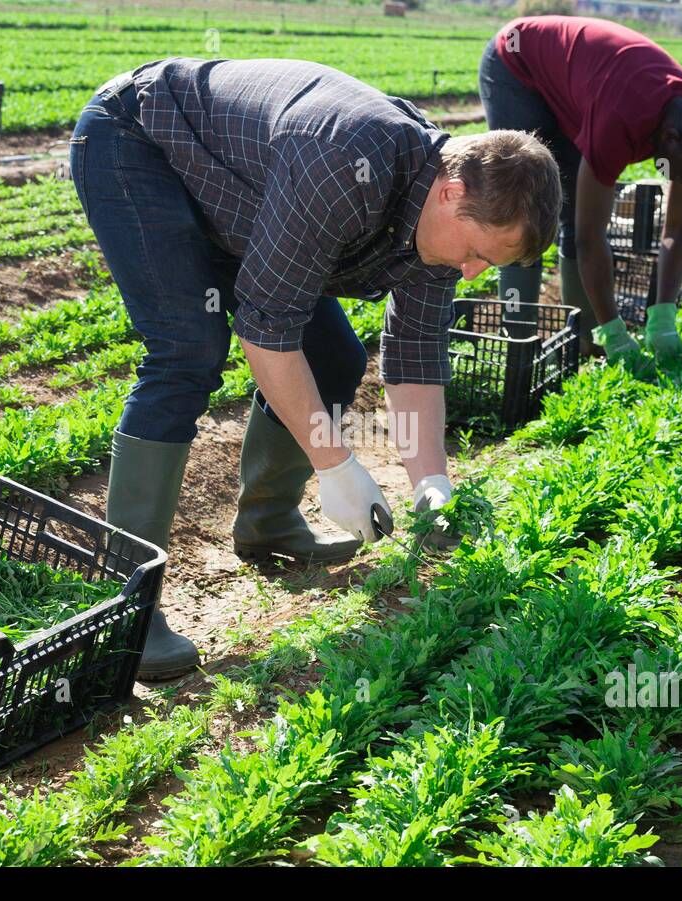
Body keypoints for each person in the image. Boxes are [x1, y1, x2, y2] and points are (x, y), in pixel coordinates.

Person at [71, 57, 561, 680]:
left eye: (486, 263)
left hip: (243, 200)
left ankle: (267, 523)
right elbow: (266, 328)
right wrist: (333, 461)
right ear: (451, 192)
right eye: (473, 253)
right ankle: (123, 608)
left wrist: (431, 481)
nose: (470, 272)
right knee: (185, 351)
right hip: (141, 145)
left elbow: (414, 352)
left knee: (333, 354)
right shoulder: (344, 161)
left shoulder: (443, 219)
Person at [480, 15, 682, 360]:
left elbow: (678, 227)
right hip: (517, 62)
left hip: (579, 86)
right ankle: (518, 342)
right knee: (523, 206)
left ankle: (581, 340)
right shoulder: (620, 122)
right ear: (669, 139)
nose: (681, 181)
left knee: (569, 206)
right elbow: (590, 237)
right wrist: (614, 328)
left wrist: (663, 316)